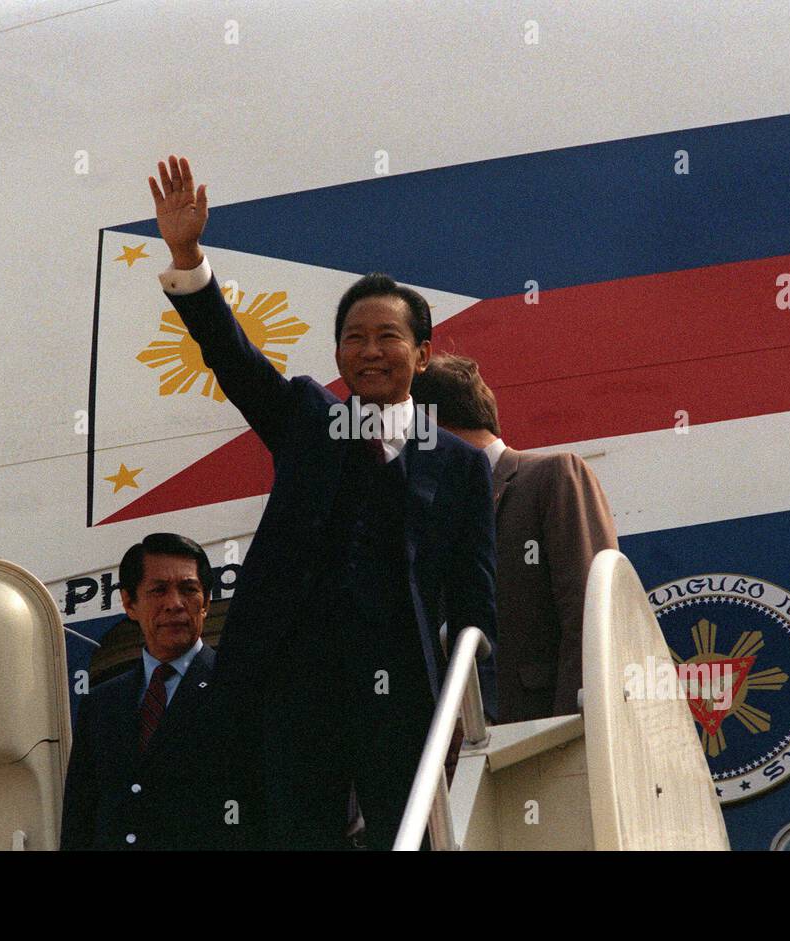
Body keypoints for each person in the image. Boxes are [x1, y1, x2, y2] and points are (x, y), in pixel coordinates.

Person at [148, 155, 497, 849]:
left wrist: (467, 705)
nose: (369, 351)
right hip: (294, 692)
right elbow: (232, 355)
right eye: (354, 338)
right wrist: (187, 255)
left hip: (400, 701)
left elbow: (474, 602)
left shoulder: (458, 467)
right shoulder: (308, 419)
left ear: (421, 356)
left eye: (387, 337)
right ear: (338, 352)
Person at [412, 355, 619, 722]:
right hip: (453, 754)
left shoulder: (550, 477)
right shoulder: (424, 515)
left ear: (429, 425)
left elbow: (592, 618)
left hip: (539, 738)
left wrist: (568, 737)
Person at [60, 533, 236, 850]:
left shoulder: (237, 689)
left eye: (189, 589)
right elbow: (80, 821)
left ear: (207, 602)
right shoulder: (102, 703)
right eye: (158, 591)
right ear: (129, 603)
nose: (175, 604)